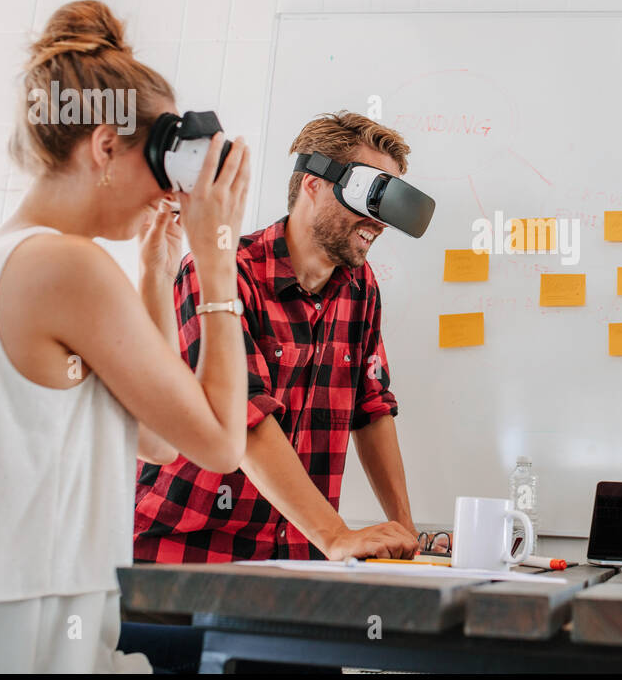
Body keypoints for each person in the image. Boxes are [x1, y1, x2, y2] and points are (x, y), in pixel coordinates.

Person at [0, 0, 250, 672]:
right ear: (106, 146)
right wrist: (218, 262)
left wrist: (158, 272)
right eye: (158, 165)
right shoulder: (65, 267)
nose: (166, 193)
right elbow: (222, 441)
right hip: (7, 659)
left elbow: (159, 439)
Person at [134, 112, 420, 564]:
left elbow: (372, 407)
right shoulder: (220, 272)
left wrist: (407, 533)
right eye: (370, 198)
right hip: (189, 550)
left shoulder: (361, 288)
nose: (379, 222)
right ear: (313, 184)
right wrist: (335, 535)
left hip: (296, 558)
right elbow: (242, 413)